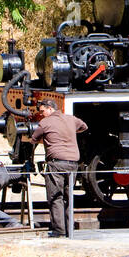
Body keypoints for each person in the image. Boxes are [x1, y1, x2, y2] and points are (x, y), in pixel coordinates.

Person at [29, 98, 87, 238]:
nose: (41, 114)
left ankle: (59, 231)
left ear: (50, 108)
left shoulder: (45, 123)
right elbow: (84, 126)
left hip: (56, 164)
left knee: (55, 197)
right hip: (73, 163)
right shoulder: (71, 119)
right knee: (68, 197)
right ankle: (69, 230)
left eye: (43, 111)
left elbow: (33, 139)